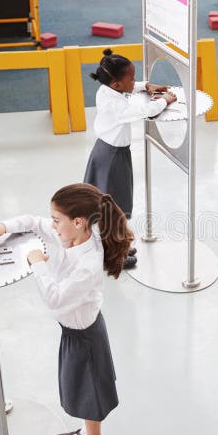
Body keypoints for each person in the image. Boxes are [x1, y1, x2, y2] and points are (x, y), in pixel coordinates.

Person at [0, 183, 132, 435]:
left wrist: (37, 263)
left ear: (77, 222)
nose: (51, 225)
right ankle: (86, 432)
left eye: (56, 220)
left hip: (85, 338)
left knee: (88, 392)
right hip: (74, 333)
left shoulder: (88, 265)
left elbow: (55, 299)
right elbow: (32, 222)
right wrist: (5, 226)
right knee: (78, 387)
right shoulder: (71, 235)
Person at [83, 49, 176, 270]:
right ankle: (114, 254)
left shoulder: (106, 90)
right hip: (113, 157)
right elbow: (144, 111)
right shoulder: (117, 106)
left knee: (112, 205)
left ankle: (116, 245)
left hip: (105, 151)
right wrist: (165, 100)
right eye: (131, 78)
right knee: (116, 207)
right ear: (116, 83)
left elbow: (128, 87)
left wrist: (145, 86)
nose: (134, 81)